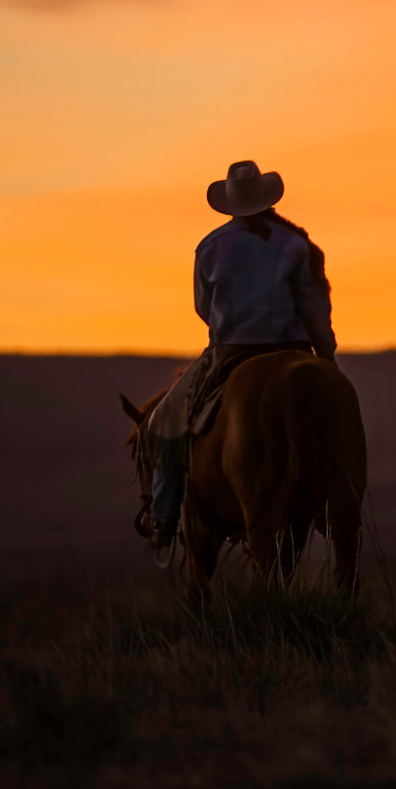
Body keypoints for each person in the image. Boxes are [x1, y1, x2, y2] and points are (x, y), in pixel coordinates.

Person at [142, 159, 338, 547]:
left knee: (163, 422)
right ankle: (335, 499)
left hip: (231, 350)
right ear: (268, 199)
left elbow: (203, 307)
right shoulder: (298, 244)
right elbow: (314, 303)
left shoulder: (211, 246)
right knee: (334, 414)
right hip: (295, 348)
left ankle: (164, 517)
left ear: (230, 203)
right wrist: (326, 355)